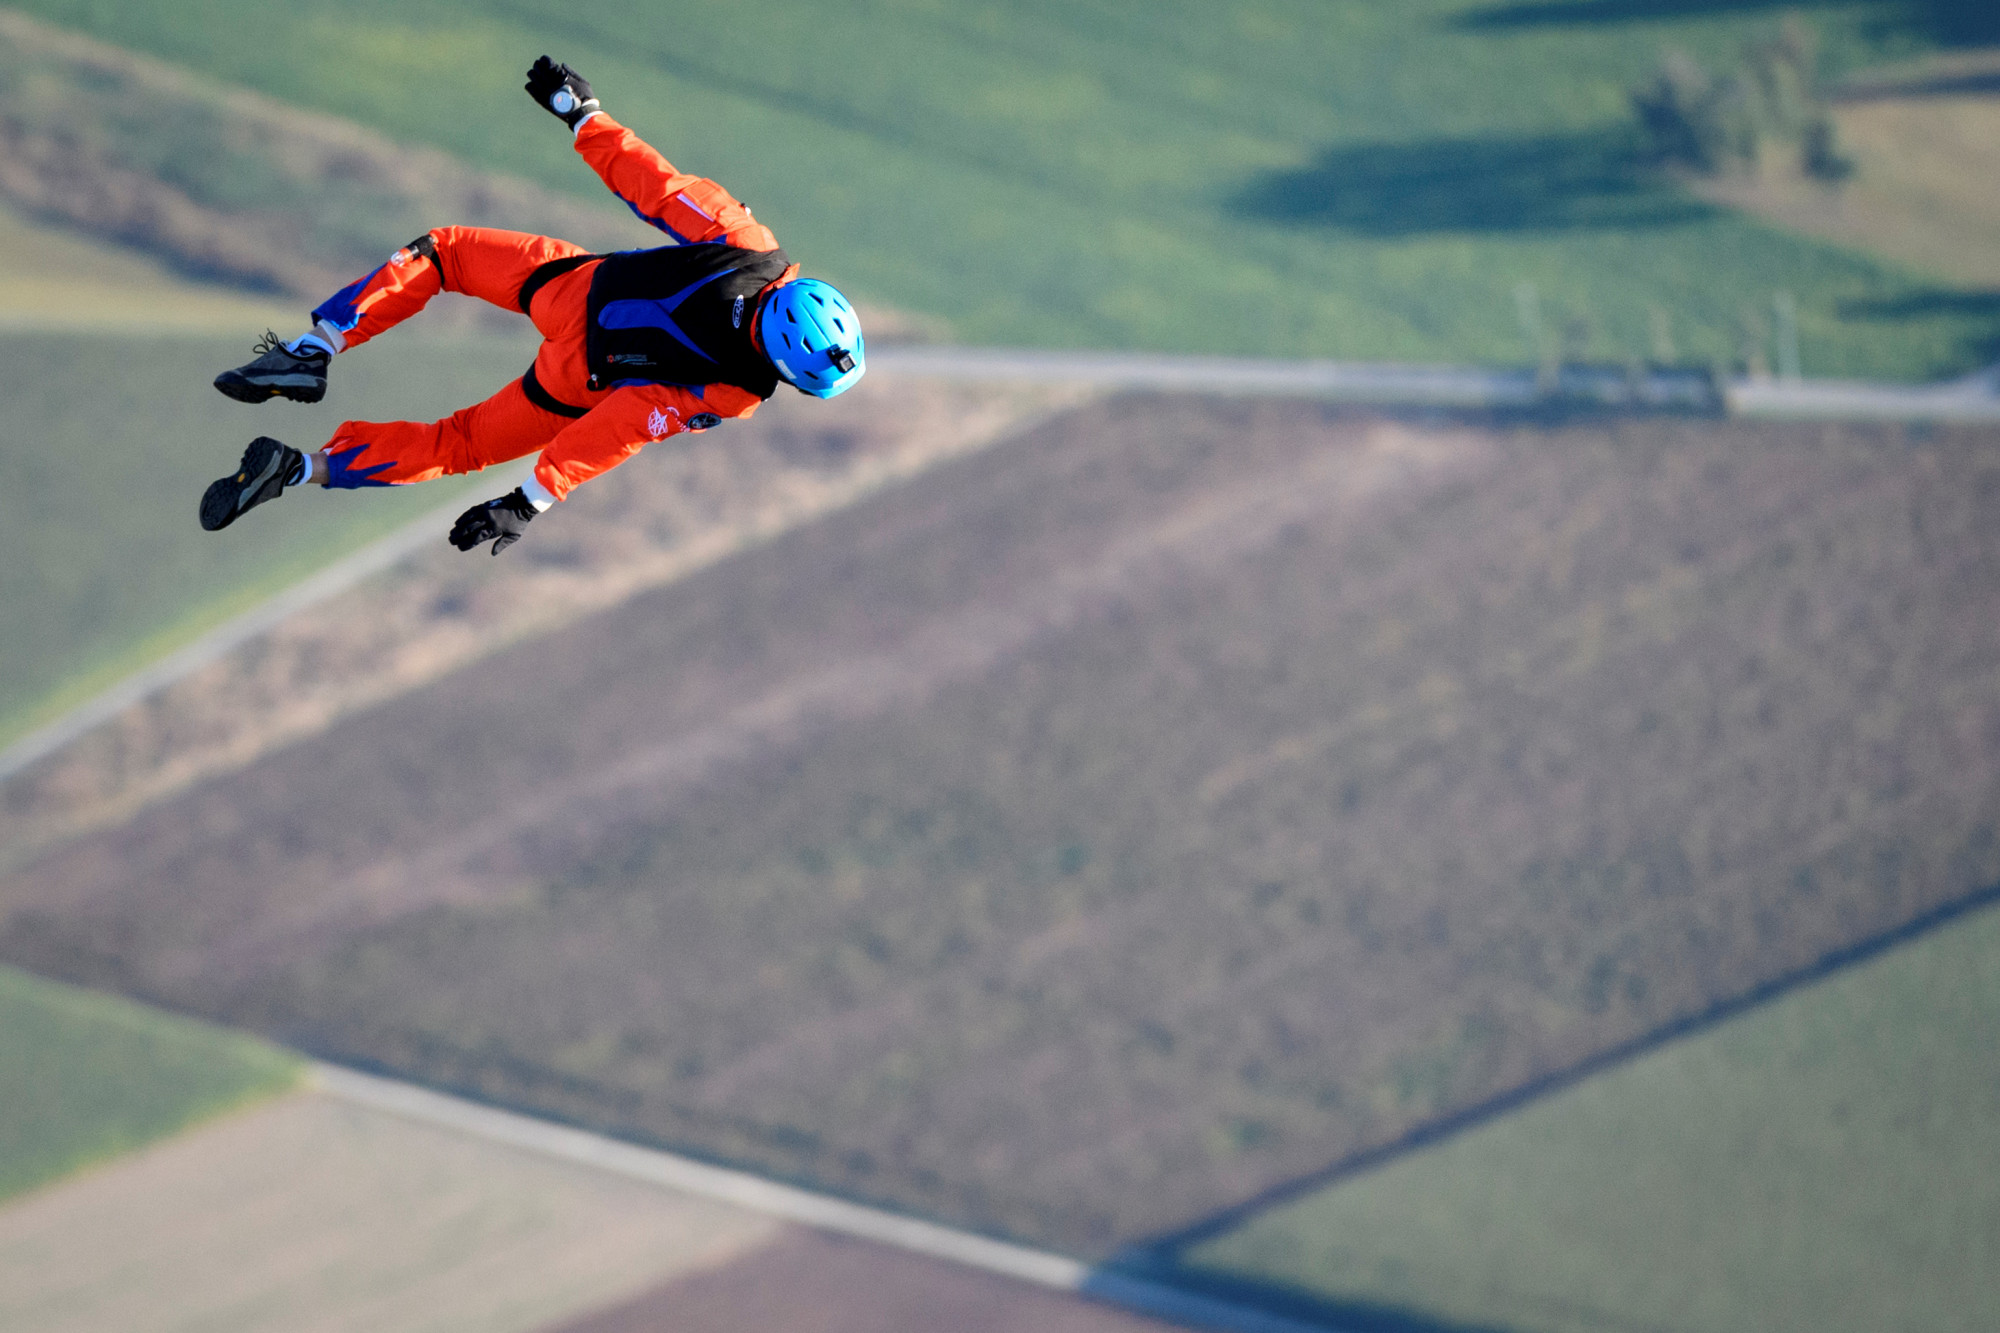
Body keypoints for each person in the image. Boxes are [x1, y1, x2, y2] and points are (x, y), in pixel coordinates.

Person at [200, 56, 864, 554]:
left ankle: (314, 349)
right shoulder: (734, 391)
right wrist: (529, 501)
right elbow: (622, 426)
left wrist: (585, 115)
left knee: (442, 253)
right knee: (455, 445)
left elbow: (657, 186)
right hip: (572, 386)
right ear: (782, 365)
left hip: (571, 287)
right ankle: (299, 470)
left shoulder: (752, 247)